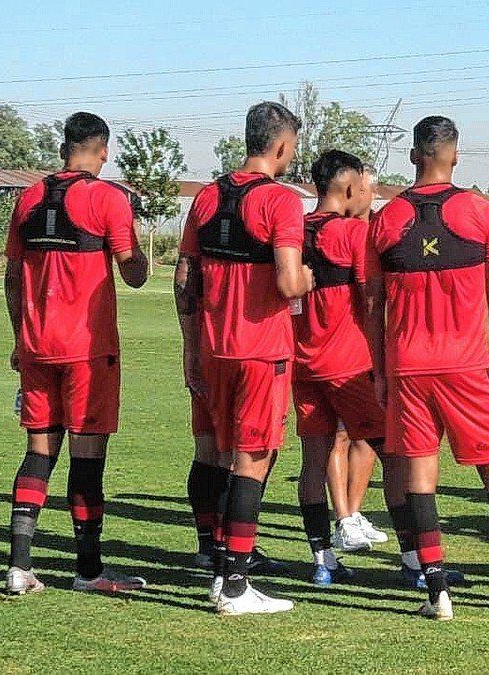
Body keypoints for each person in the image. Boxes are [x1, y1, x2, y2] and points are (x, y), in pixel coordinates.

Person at [363, 115, 489, 620]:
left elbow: (371, 304)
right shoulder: (480, 212)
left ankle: (437, 594)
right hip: (467, 362)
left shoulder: (384, 219)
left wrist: (382, 370)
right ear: (455, 156)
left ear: (413, 155)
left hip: (409, 365)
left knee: (420, 474)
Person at [3, 111, 149, 595]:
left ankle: (19, 566)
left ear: (65, 146)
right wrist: (136, 247)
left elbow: (12, 277)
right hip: (88, 352)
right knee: (88, 459)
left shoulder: (27, 197)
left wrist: (19, 337)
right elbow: (134, 273)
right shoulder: (107, 198)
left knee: (39, 452)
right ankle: (87, 570)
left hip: (36, 347)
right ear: (102, 150)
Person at [176, 101, 312, 615]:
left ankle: (211, 557)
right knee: (252, 459)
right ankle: (234, 584)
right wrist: (307, 279)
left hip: (213, 348)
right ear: (280, 145)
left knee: (210, 451)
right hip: (261, 350)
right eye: (293, 145)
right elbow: (286, 281)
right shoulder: (280, 202)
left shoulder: (207, 196)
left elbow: (184, 279)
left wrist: (191, 345)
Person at [291, 150, 389, 586]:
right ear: (350, 189)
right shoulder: (353, 233)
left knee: (313, 460)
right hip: (348, 363)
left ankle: (322, 561)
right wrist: (379, 359)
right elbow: (371, 301)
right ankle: (415, 564)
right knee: (398, 456)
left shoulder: (293, 229)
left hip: (301, 363)